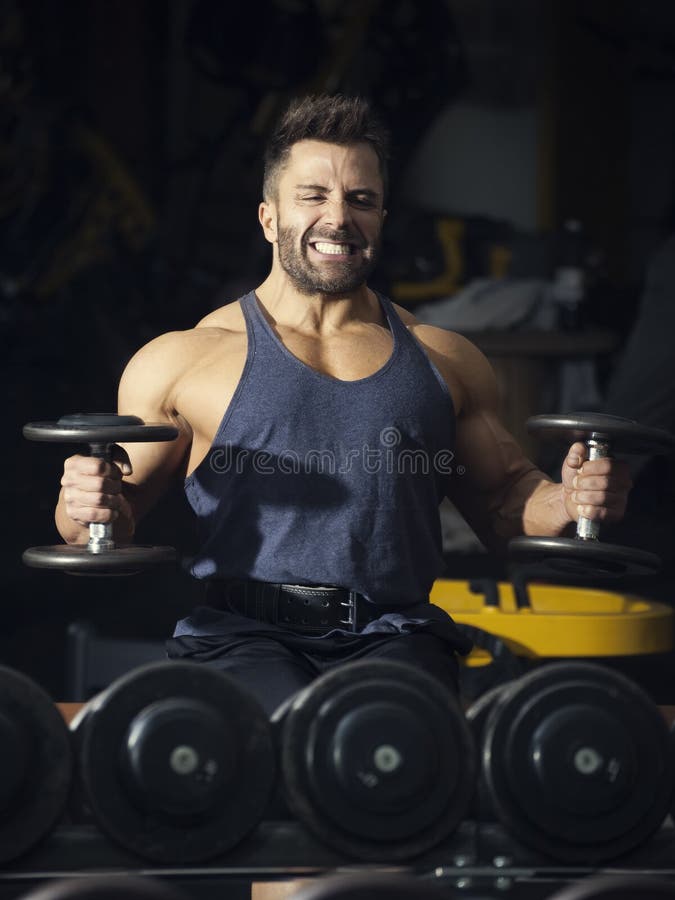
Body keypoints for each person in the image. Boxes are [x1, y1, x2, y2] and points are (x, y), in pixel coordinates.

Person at [55, 94, 631, 715]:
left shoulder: (443, 359)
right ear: (269, 217)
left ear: (381, 215)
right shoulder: (181, 360)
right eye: (313, 196)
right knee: (280, 741)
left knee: (390, 750)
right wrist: (81, 502)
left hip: (396, 638)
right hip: (242, 641)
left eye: (361, 199)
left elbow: (503, 501)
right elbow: (109, 520)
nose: (338, 218)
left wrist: (570, 502)